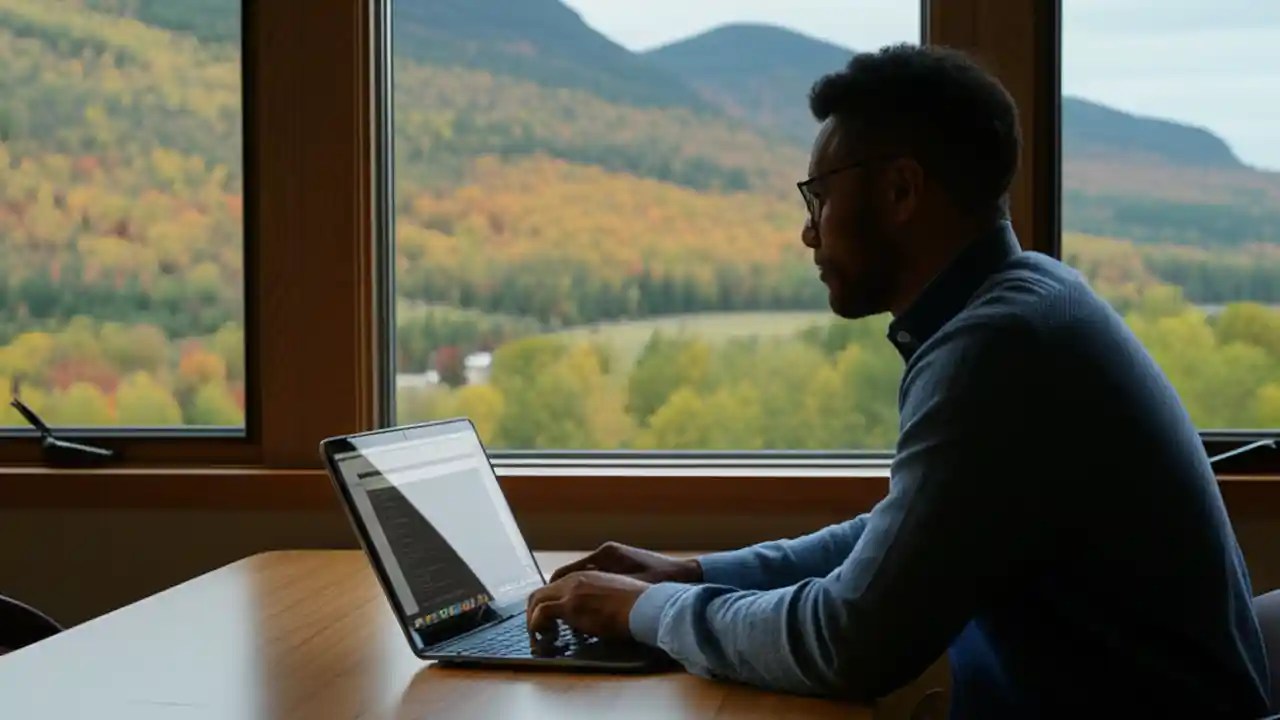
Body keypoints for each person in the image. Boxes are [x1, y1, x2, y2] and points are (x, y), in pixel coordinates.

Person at [525, 43, 1271, 718]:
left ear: (901, 192)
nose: (809, 231)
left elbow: (850, 643)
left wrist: (645, 611)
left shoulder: (998, 351)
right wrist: (692, 571)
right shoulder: (1033, 299)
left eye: (818, 196)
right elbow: (908, 535)